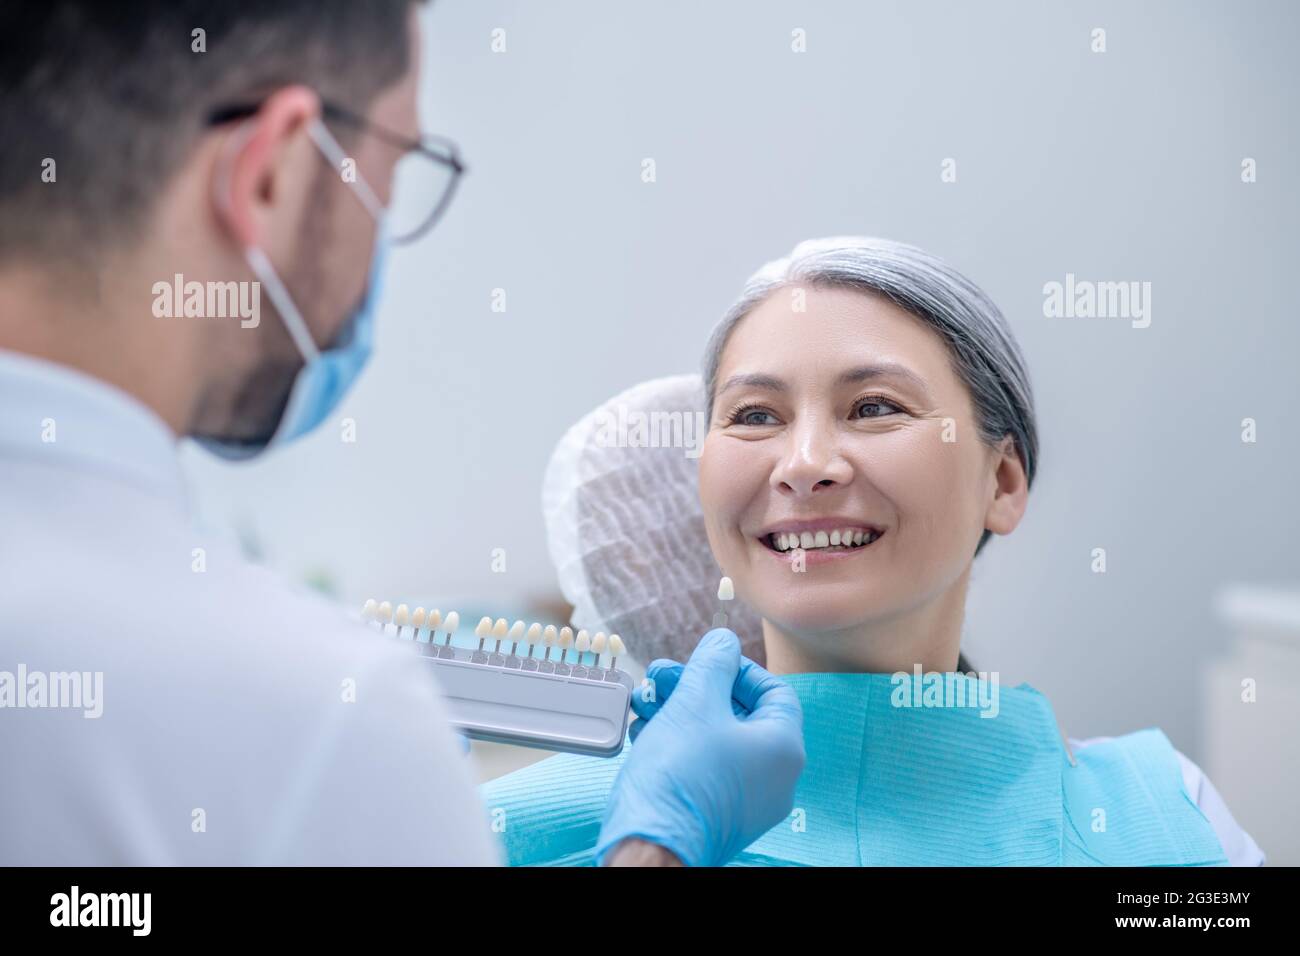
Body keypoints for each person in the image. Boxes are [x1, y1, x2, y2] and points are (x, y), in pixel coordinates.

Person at [0, 0, 803, 867]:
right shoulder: (322, 723)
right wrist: (659, 844)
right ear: (269, 176)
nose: (811, 464)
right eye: (390, 179)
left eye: (875, 408)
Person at [484, 236, 1265, 866]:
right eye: (754, 416)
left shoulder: (1167, 816)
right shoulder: (511, 831)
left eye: (874, 407)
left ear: (1001, 480)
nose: (802, 463)